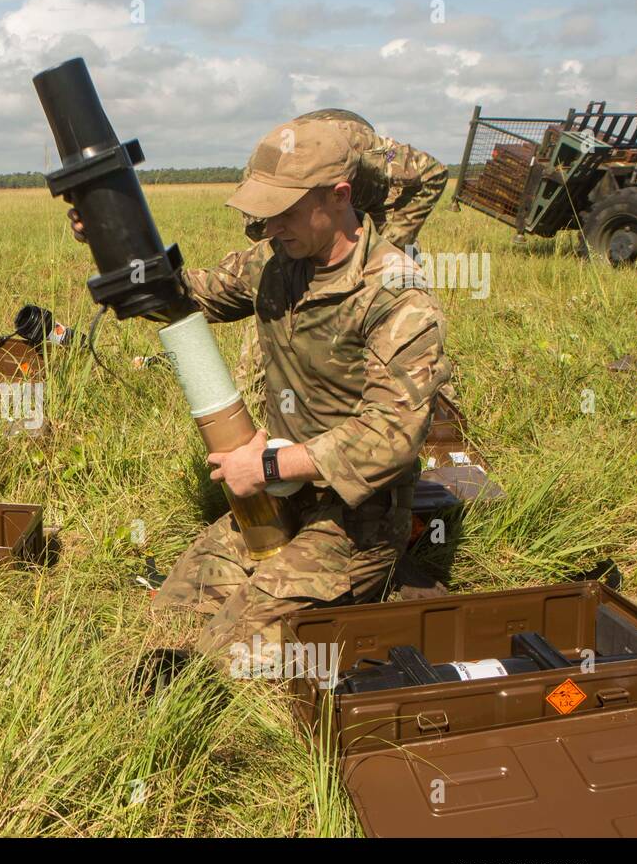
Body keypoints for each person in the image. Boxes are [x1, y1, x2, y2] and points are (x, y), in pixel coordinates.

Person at [68, 122, 452, 657]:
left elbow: (391, 437)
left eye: (285, 212)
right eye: (264, 213)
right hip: (276, 501)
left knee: (228, 649)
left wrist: (268, 467)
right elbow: (179, 297)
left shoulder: (398, 298)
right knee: (172, 613)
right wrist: (112, 236)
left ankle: (376, 581)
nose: (269, 227)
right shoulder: (278, 264)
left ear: (338, 197)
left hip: (356, 520)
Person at [234, 110, 449, 394]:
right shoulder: (266, 166)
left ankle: (436, 409)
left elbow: (433, 173)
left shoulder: (366, 151)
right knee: (271, 321)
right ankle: (256, 399)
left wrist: (390, 244)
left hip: (378, 226)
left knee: (408, 322)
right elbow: (256, 228)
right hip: (314, 229)